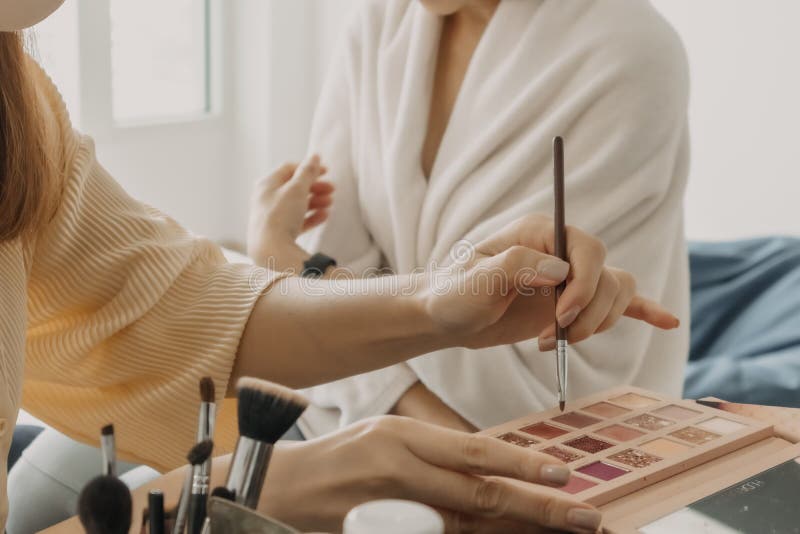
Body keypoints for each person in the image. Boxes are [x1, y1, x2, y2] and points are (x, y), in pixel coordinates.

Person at [0, 1, 677, 532]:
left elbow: (169, 304)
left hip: (321, 401)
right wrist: (230, 496)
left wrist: (432, 305)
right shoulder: (379, 29)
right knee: (45, 485)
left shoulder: (21, 108)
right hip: (315, 410)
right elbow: (301, 270)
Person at [247, 0, 690, 437]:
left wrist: (284, 264)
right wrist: (308, 288)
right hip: (342, 425)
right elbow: (322, 300)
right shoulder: (379, 22)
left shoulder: (628, 53)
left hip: (554, 465)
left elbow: (535, 396)